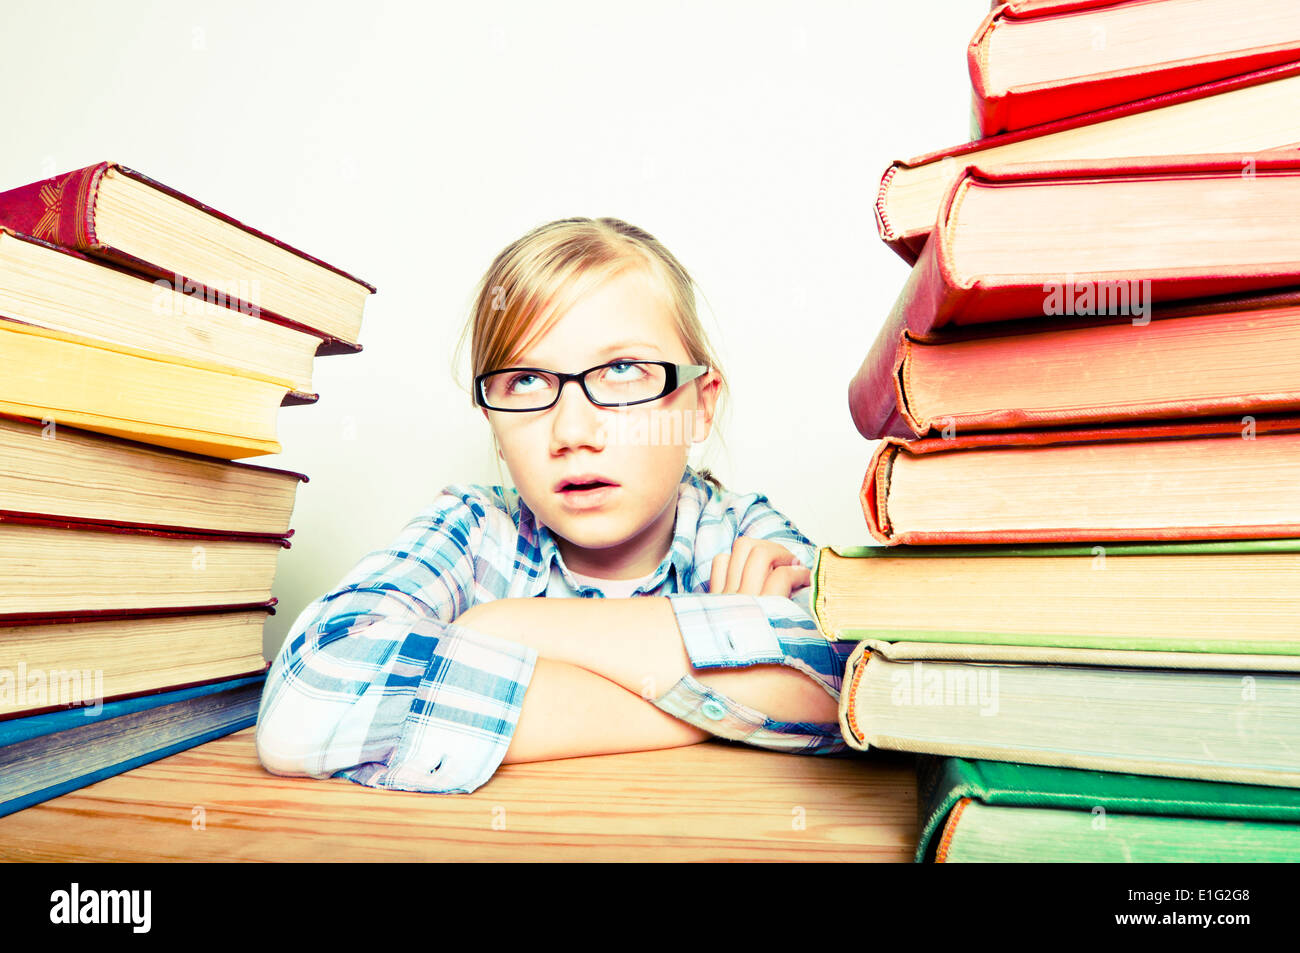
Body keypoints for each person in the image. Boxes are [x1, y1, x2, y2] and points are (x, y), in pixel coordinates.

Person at [255, 216, 859, 794]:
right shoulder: (475, 528)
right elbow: (309, 698)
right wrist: (715, 705)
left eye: (624, 368)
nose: (572, 432)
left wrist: (503, 629)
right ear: (493, 422)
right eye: (526, 381)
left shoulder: (741, 534)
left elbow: (859, 681)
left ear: (701, 404)